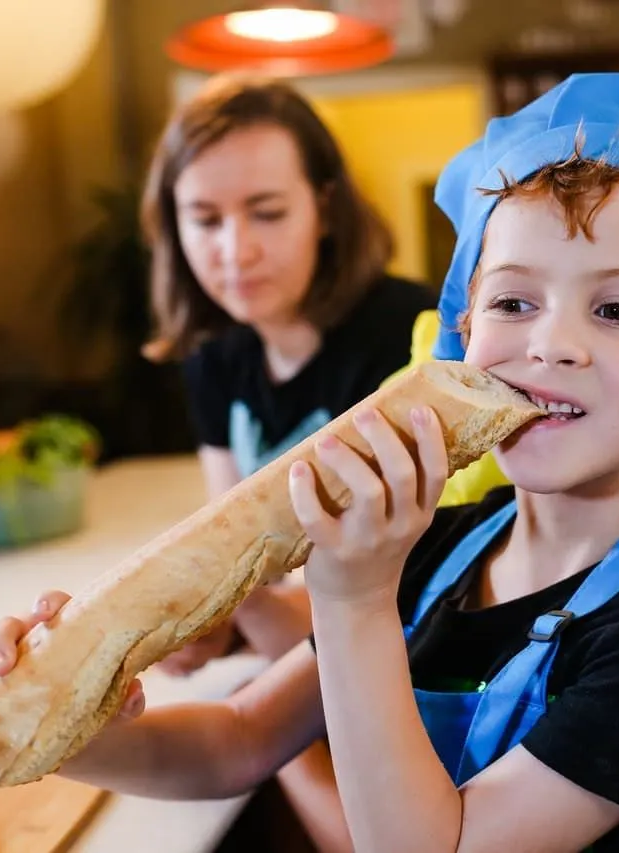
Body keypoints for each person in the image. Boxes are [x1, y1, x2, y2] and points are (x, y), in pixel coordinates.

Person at [0, 72, 619, 851]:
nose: (549, 343)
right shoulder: (440, 545)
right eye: (511, 299)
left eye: (616, 308)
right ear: (463, 331)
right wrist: (64, 725)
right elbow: (237, 738)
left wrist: (352, 595)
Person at [137, 73, 436, 675]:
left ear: (324, 209)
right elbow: (238, 554)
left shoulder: (412, 334)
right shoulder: (213, 355)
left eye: (267, 213)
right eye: (204, 219)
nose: (235, 250)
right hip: (300, 671)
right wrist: (207, 629)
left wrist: (243, 611)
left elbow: (425, 589)